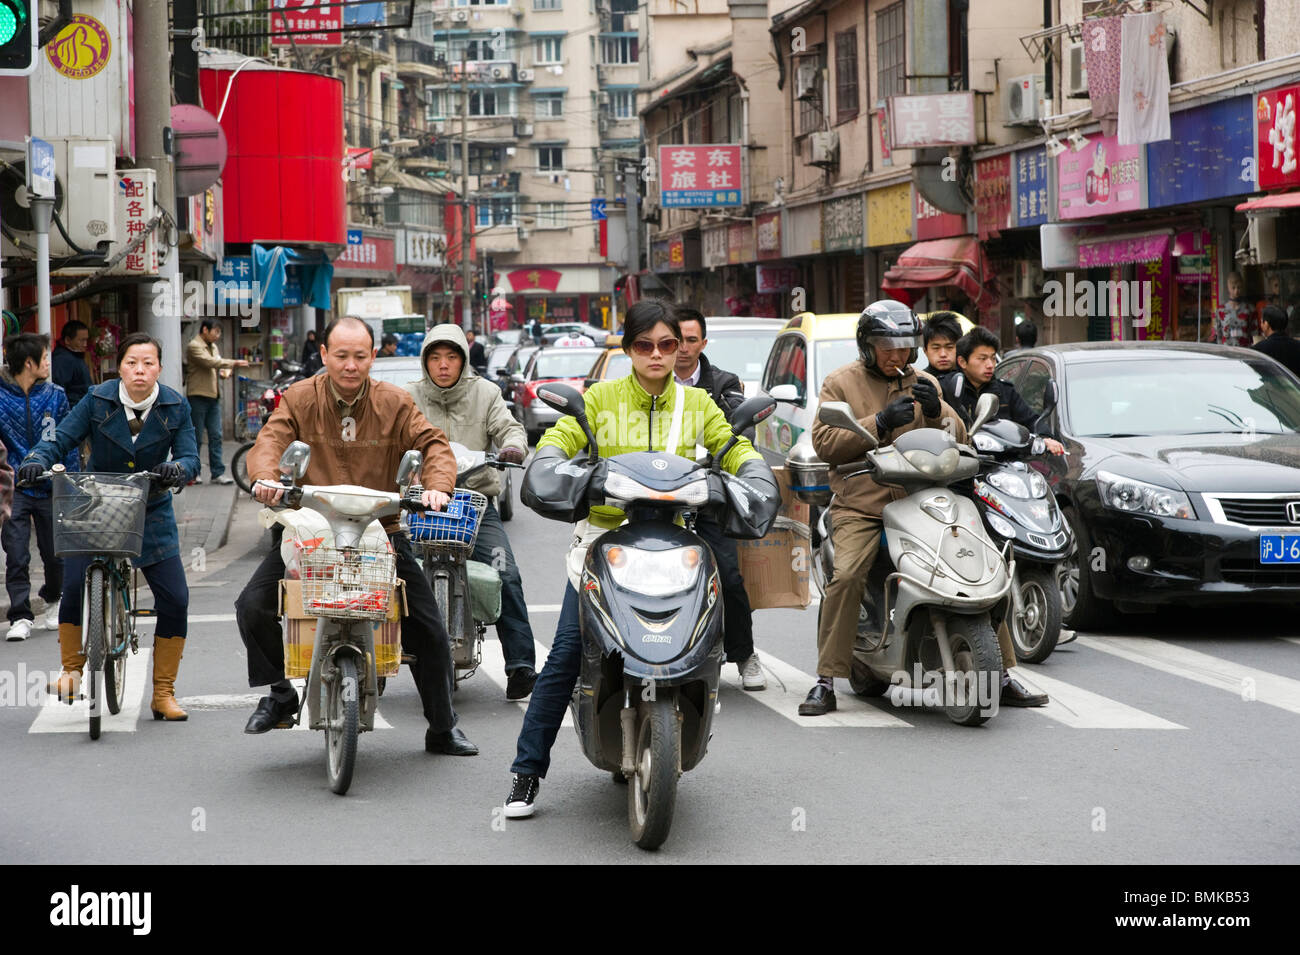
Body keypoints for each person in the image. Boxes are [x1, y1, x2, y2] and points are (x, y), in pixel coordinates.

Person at [504, 300, 774, 818]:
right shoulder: (599, 399)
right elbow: (559, 442)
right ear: (628, 349)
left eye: (667, 345)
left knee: (707, 634)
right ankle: (525, 774)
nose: (657, 354)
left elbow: (732, 446)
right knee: (564, 656)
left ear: (681, 349)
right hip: (603, 547)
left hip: (676, 545)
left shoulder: (698, 404)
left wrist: (753, 471)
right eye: (645, 345)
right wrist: (557, 466)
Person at [237, 316, 477, 756]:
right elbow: (270, 440)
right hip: (310, 532)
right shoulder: (299, 398)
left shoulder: (396, 402)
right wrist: (266, 478)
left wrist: (439, 485)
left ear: (373, 357)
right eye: (342, 356)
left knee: (429, 628)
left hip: (380, 531)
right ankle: (281, 695)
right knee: (252, 606)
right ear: (324, 355)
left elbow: (433, 444)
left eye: (360, 356)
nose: (351, 366)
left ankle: (442, 727)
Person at [802, 302, 973, 716]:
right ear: (867, 346)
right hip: (862, 503)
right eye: (886, 347)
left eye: (903, 347)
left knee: (972, 559)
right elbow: (825, 444)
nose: (897, 355)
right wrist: (877, 422)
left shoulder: (926, 381)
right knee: (846, 576)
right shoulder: (840, 383)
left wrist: (937, 411)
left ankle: (1001, 673)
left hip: (920, 501)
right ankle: (826, 679)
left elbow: (960, 437)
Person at [20, 333, 197, 717]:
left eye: (148, 363)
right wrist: (36, 458)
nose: (139, 370)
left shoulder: (175, 405)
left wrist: (177, 468)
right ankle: (71, 671)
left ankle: (163, 692)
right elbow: (62, 438)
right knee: (72, 586)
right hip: (94, 503)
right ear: (120, 366)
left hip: (151, 508)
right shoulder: (98, 399)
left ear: (159, 369)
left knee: (176, 598)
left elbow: (190, 457)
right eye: (132, 362)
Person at [403, 323, 537, 699]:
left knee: (506, 573)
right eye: (435, 357)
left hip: (474, 507)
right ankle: (378, 659)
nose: (443, 365)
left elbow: (511, 429)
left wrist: (512, 448)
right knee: (390, 573)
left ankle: (521, 665)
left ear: (463, 360)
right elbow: (385, 435)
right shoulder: (406, 397)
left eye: (451, 357)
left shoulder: (486, 393)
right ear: (425, 361)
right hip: (420, 504)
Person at [674, 307, 764, 691]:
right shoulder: (647, 383)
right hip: (653, 495)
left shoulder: (725, 382)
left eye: (690, 340)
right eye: (673, 340)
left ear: (703, 344)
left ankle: (744, 655)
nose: (680, 349)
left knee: (728, 575)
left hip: (708, 495)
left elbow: (739, 431)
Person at [1, 334, 78, 641]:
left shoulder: (57, 396)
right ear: (29, 363)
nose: (49, 362)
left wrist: (70, 481)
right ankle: (20, 615)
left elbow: (70, 441)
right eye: (45, 358)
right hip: (14, 487)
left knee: (54, 552)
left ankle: (54, 599)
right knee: (16, 553)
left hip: (50, 483)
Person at [939, 327, 1065, 457]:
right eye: (982, 358)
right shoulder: (946, 388)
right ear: (962, 362)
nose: (990, 364)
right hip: (959, 462)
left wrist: (1045, 438)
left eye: (993, 358)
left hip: (1001, 464)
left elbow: (1031, 420)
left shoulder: (1004, 391)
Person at [186, 319, 248, 485]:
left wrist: (225, 371)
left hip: (213, 396)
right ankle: (194, 472)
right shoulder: (194, 346)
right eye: (216, 332)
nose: (218, 336)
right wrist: (233, 363)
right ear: (205, 330)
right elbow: (210, 362)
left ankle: (217, 473)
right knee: (196, 437)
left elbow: (218, 364)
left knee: (216, 435)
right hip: (197, 395)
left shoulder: (213, 346)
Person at [51, 320, 92, 409]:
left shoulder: (75, 356)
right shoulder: (62, 360)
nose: (85, 344)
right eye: (81, 340)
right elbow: (58, 390)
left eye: (86, 340)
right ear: (68, 340)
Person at [1210, 272, 1259, 347]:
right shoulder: (1220, 311)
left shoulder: (1250, 309)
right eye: (1233, 287)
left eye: (1239, 287)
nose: (1236, 291)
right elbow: (1218, 335)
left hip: (1245, 350)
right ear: (1228, 287)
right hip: (1226, 351)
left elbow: (1255, 334)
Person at [1253, 305, 1300, 377]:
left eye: (1261, 322)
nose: (1261, 324)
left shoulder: (1258, 350)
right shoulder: (1297, 346)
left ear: (1266, 324)